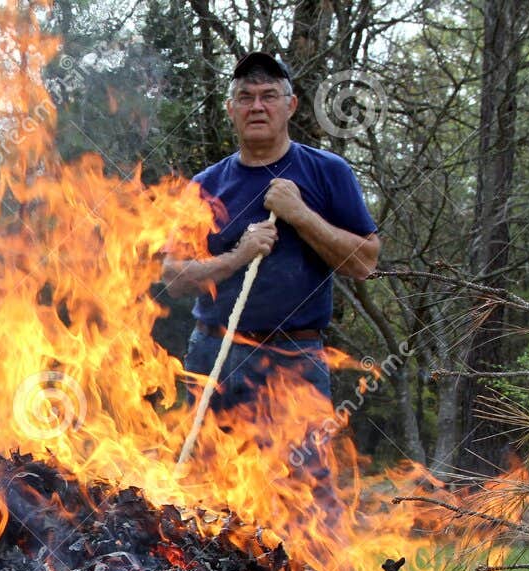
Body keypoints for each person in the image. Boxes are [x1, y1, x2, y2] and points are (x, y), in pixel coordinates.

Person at [159, 52, 381, 416]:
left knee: (302, 475)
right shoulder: (205, 186)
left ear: (290, 105)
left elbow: (365, 263)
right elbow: (173, 278)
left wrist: (301, 216)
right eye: (245, 97)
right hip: (216, 355)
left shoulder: (328, 172)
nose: (257, 107)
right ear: (231, 109)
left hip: (295, 359)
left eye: (269, 95)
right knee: (207, 473)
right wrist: (237, 257)